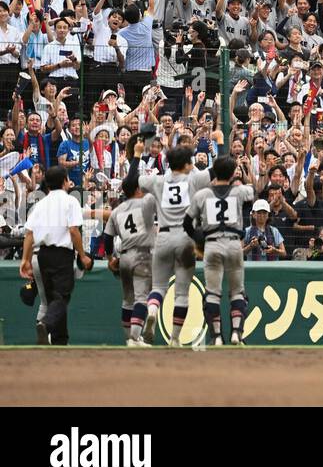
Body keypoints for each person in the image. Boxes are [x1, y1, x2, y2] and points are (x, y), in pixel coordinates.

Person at [138, 147, 210, 346]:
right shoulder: (194, 179)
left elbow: (137, 181)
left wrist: (136, 155)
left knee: (158, 287)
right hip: (186, 239)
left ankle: (152, 311)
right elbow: (220, 169)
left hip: (163, 236)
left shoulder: (158, 181)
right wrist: (220, 143)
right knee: (181, 293)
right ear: (188, 164)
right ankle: (175, 338)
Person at [19, 165, 92, 345]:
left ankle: (60, 340)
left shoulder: (41, 203)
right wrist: (82, 255)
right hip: (62, 254)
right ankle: (46, 323)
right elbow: (74, 230)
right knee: (62, 296)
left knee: (53, 300)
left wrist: (25, 260)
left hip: (42, 254)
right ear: (65, 181)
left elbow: (29, 234)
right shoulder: (71, 201)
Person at [188, 154, 255, 347]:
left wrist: (198, 240)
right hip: (234, 243)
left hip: (212, 243)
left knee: (212, 293)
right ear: (232, 172)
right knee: (237, 292)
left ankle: (216, 336)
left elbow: (187, 222)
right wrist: (240, 177)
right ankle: (236, 333)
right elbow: (253, 192)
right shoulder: (239, 191)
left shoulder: (203, 194)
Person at [102, 168, 156, 346]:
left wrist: (110, 258)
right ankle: (134, 337)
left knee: (127, 299)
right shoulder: (146, 201)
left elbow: (107, 237)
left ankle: (130, 338)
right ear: (138, 189)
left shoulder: (117, 211)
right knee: (141, 298)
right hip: (143, 254)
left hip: (124, 257)